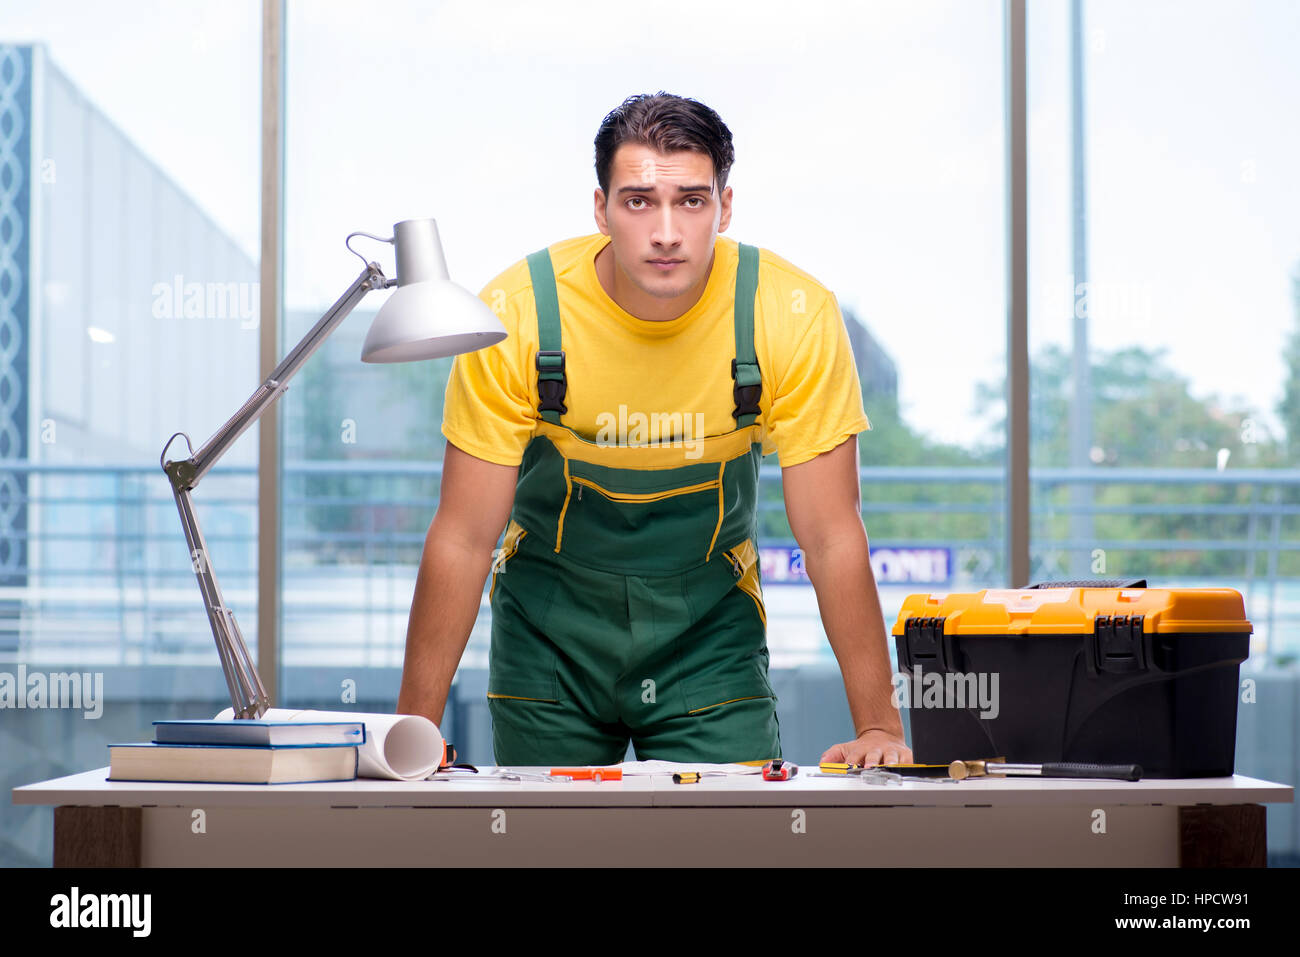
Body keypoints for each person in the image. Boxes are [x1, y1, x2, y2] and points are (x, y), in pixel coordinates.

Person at [397, 91, 911, 769]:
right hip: (549, 637)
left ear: (725, 207)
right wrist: (407, 736)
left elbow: (831, 535)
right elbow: (463, 539)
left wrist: (878, 725)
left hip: (708, 641)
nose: (665, 231)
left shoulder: (789, 315)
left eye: (691, 201)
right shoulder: (518, 315)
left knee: (731, 837)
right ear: (600, 208)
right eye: (638, 201)